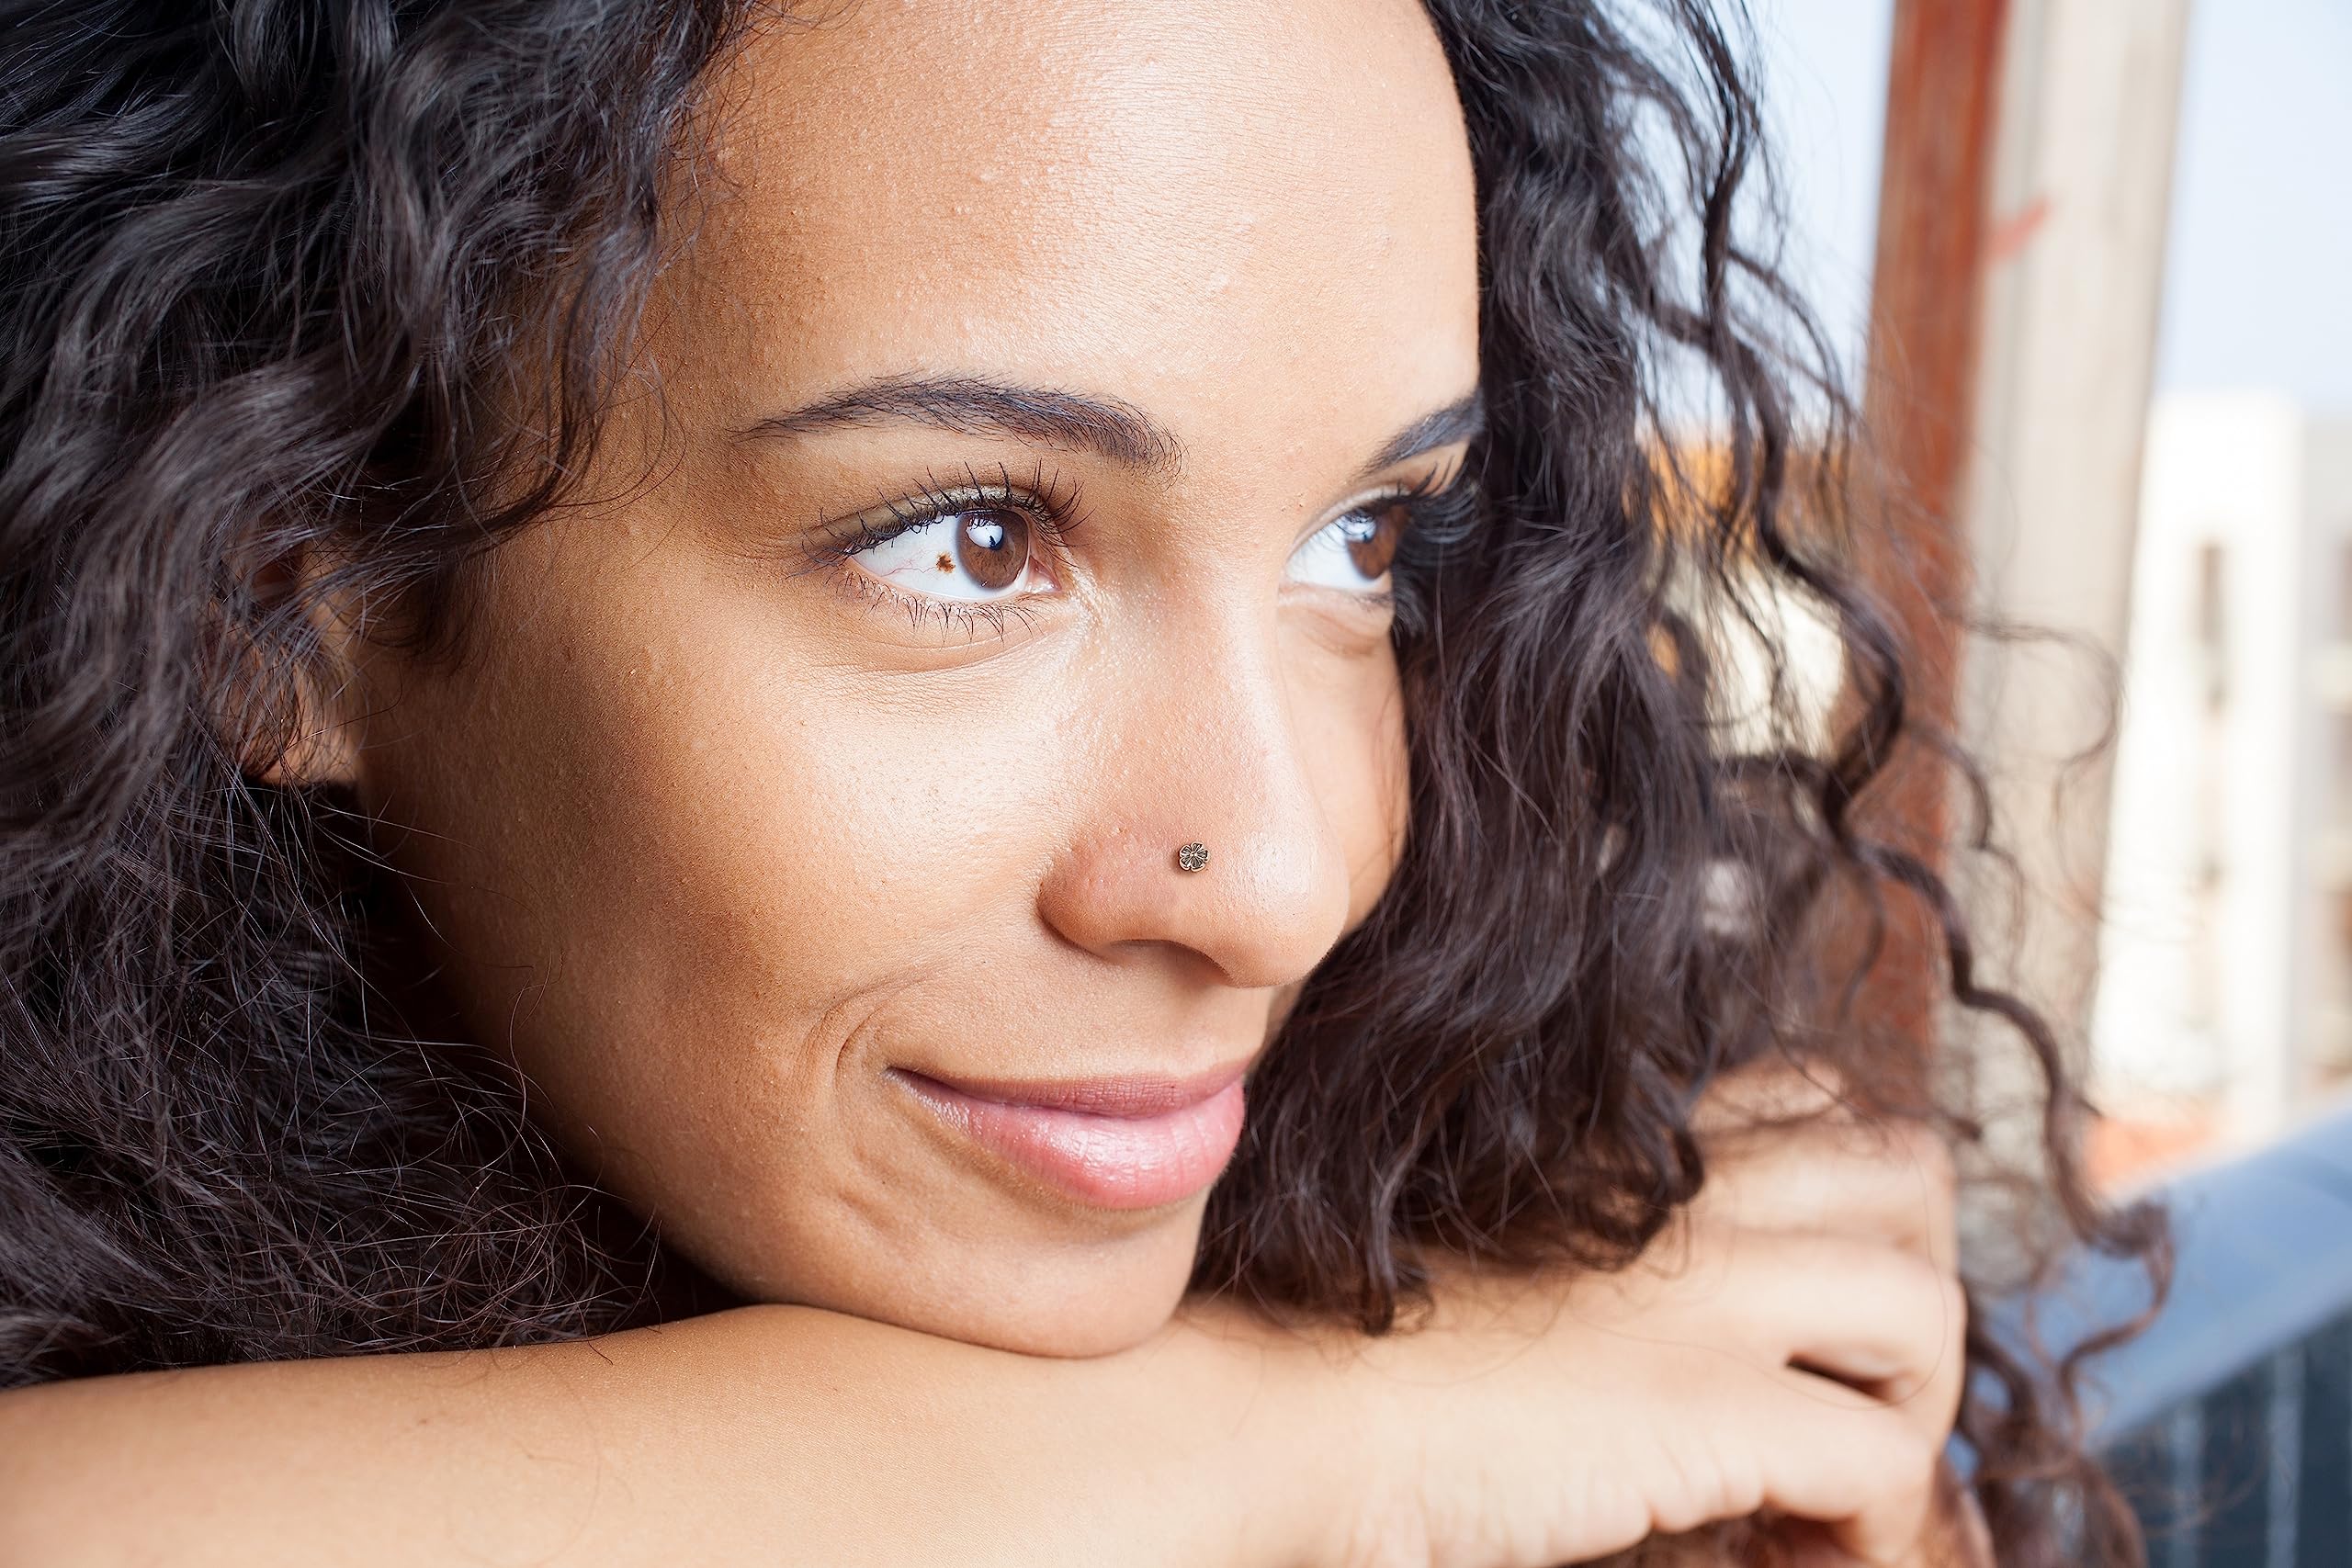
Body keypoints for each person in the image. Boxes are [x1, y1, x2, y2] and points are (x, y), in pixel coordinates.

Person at [0, 0, 2159, 1562]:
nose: (1286, 876)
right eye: (969, 542)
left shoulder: (1547, 1264)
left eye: (1368, 541)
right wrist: (1327, 1433)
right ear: (279, 605)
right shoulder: (1489, 1385)